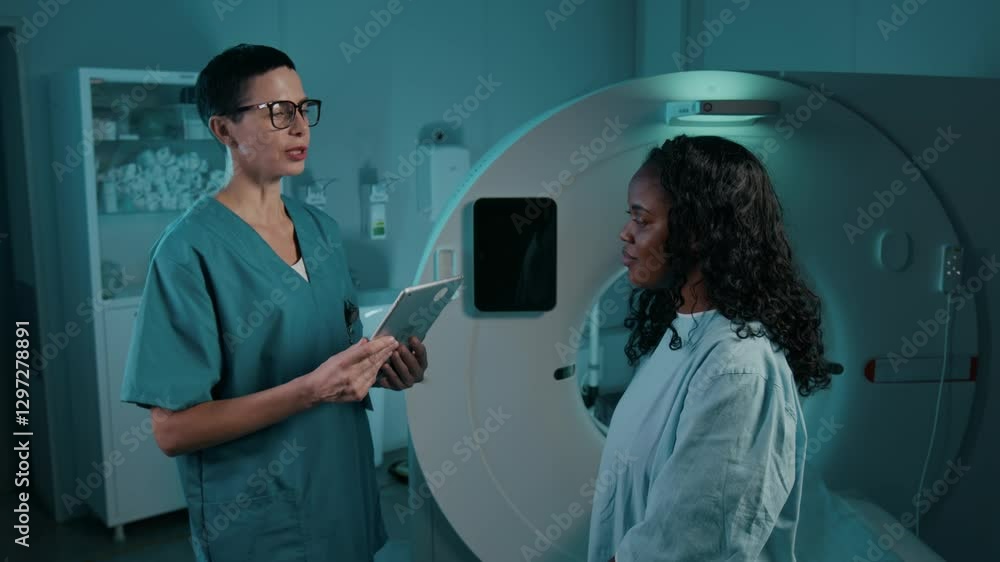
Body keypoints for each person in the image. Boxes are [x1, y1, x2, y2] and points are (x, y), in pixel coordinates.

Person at [120, 44, 429, 562]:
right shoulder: (186, 252)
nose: (300, 127)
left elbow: (333, 362)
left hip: (342, 496)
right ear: (224, 130)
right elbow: (173, 430)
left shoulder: (321, 231)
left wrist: (386, 367)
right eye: (277, 113)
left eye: (303, 109)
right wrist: (309, 391)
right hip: (259, 518)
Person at [588, 135, 841, 561]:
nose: (626, 233)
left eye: (643, 220)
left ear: (696, 233)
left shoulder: (738, 369)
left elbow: (692, 545)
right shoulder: (679, 336)